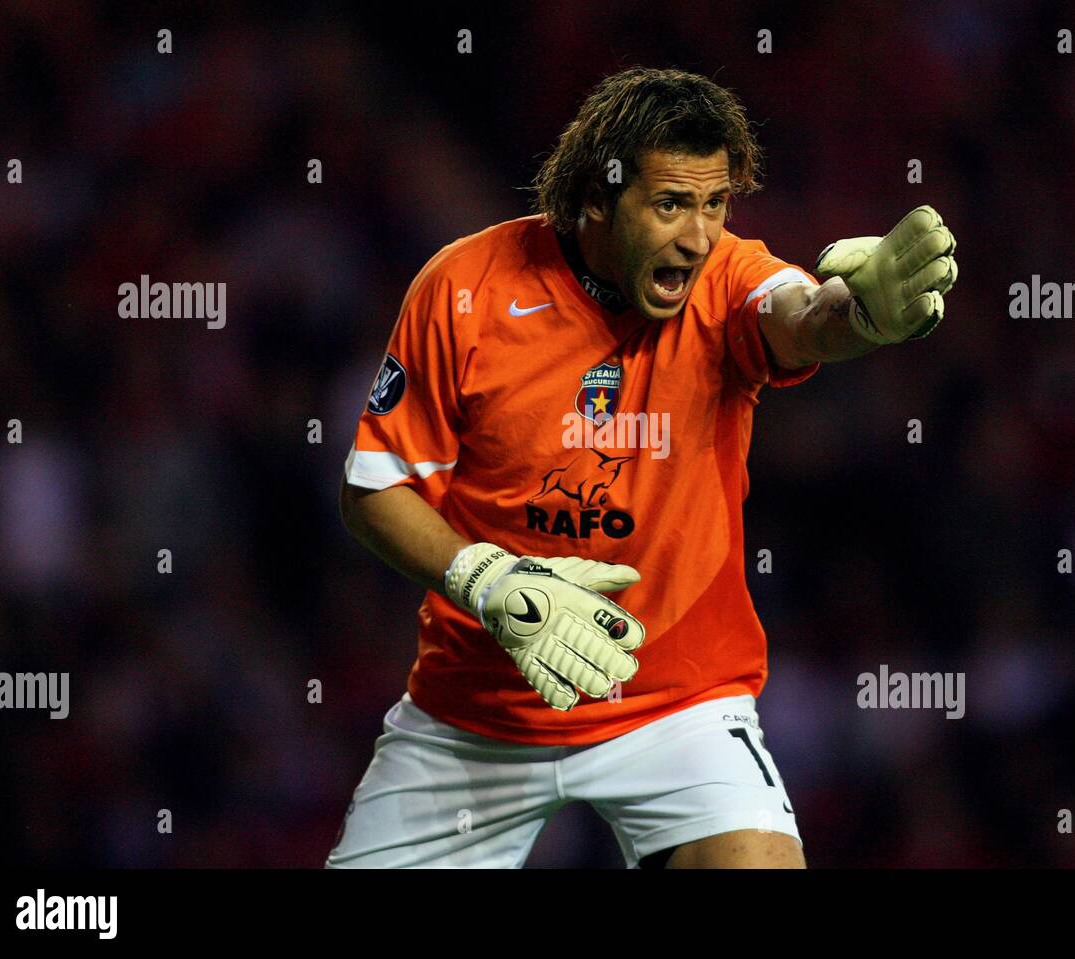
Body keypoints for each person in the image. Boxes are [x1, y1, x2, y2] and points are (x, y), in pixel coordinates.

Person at [327, 66, 957, 869]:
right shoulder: (463, 288)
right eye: (670, 205)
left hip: (678, 706)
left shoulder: (727, 278)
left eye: (715, 203)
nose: (698, 235)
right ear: (597, 197)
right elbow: (375, 488)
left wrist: (860, 315)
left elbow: (800, 316)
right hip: (474, 717)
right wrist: (488, 581)